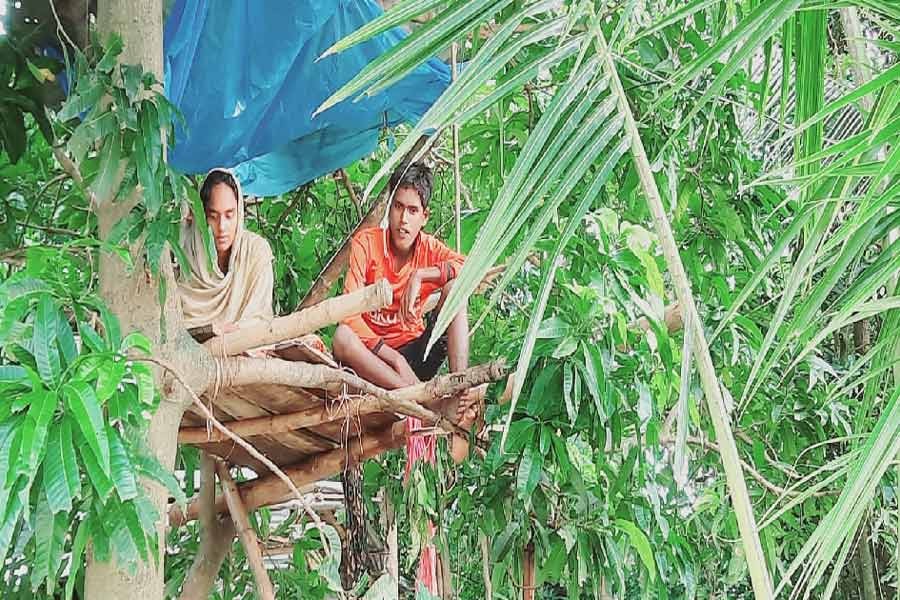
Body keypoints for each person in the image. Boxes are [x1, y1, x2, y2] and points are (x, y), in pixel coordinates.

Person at [332, 162, 479, 462]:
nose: (403, 219)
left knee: (455, 290)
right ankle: (428, 402)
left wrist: (422, 275)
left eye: (412, 211)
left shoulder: (429, 249)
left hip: (416, 357)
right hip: (373, 362)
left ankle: (458, 389)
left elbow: (470, 269)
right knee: (342, 336)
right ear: (389, 208)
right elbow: (348, 313)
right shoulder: (366, 243)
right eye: (398, 207)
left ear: (425, 217)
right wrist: (393, 357)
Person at [178, 168, 275, 338]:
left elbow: (260, 320)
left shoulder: (257, 252)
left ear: (239, 214)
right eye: (213, 216)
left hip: (247, 350)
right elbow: (175, 326)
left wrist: (230, 332)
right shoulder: (184, 254)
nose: (222, 227)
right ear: (202, 216)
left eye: (229, 216)